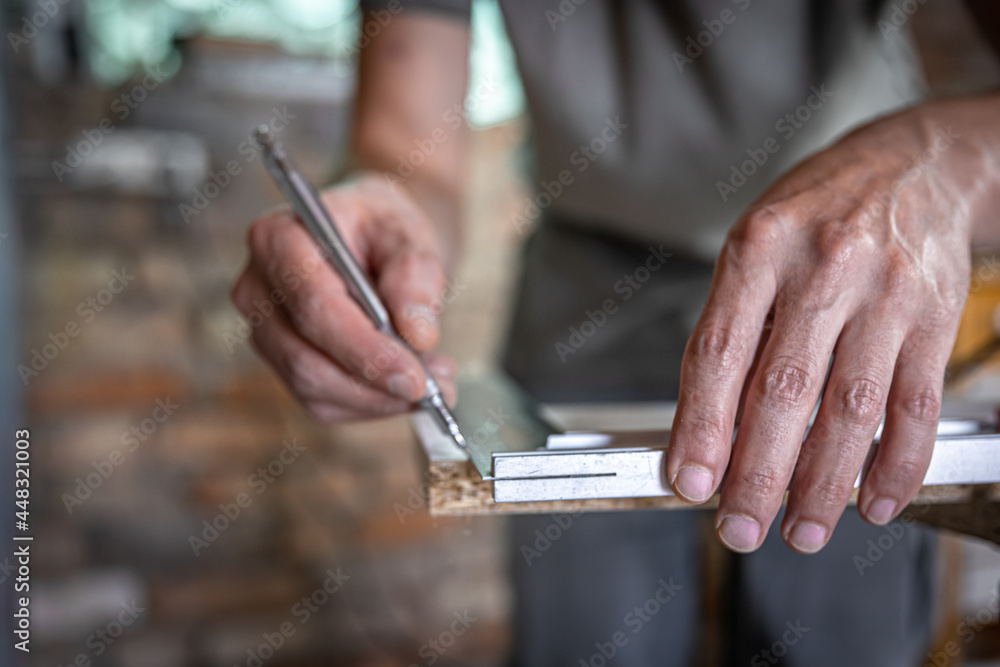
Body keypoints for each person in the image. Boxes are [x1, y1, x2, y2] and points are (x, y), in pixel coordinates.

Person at [231, 1, 1000, 664]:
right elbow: (408, 146)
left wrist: (940, 161)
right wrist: (384, 210)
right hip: (586, 289)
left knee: (832, 638)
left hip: (847, 288)